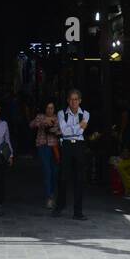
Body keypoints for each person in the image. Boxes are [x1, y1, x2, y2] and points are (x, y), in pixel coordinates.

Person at [54, 89, 89, 221]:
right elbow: (64, 131)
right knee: (63, 177)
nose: (74, 102)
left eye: (76, 99)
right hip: (67, 146)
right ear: (68, 100)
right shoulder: (61, 113)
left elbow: (74, 130)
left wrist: (72, 129)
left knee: (79, 179)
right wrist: (78, 127)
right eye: (71, 99)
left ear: (80, 101)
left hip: (79, 146)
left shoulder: (86, 114)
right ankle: (60, 206)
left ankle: (78, 211)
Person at [29, 101, 60, 209]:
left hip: (54, 147)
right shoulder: (40, 116)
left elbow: (62, 131)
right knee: (47, 171)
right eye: (48, 108)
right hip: (43, 146)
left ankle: (52, 194)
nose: (49, 110)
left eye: (51, 108)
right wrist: (43, 122)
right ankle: (49, 198)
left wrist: (54, 130)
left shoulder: (57, 118)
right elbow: (31, 124)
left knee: (55, 172)